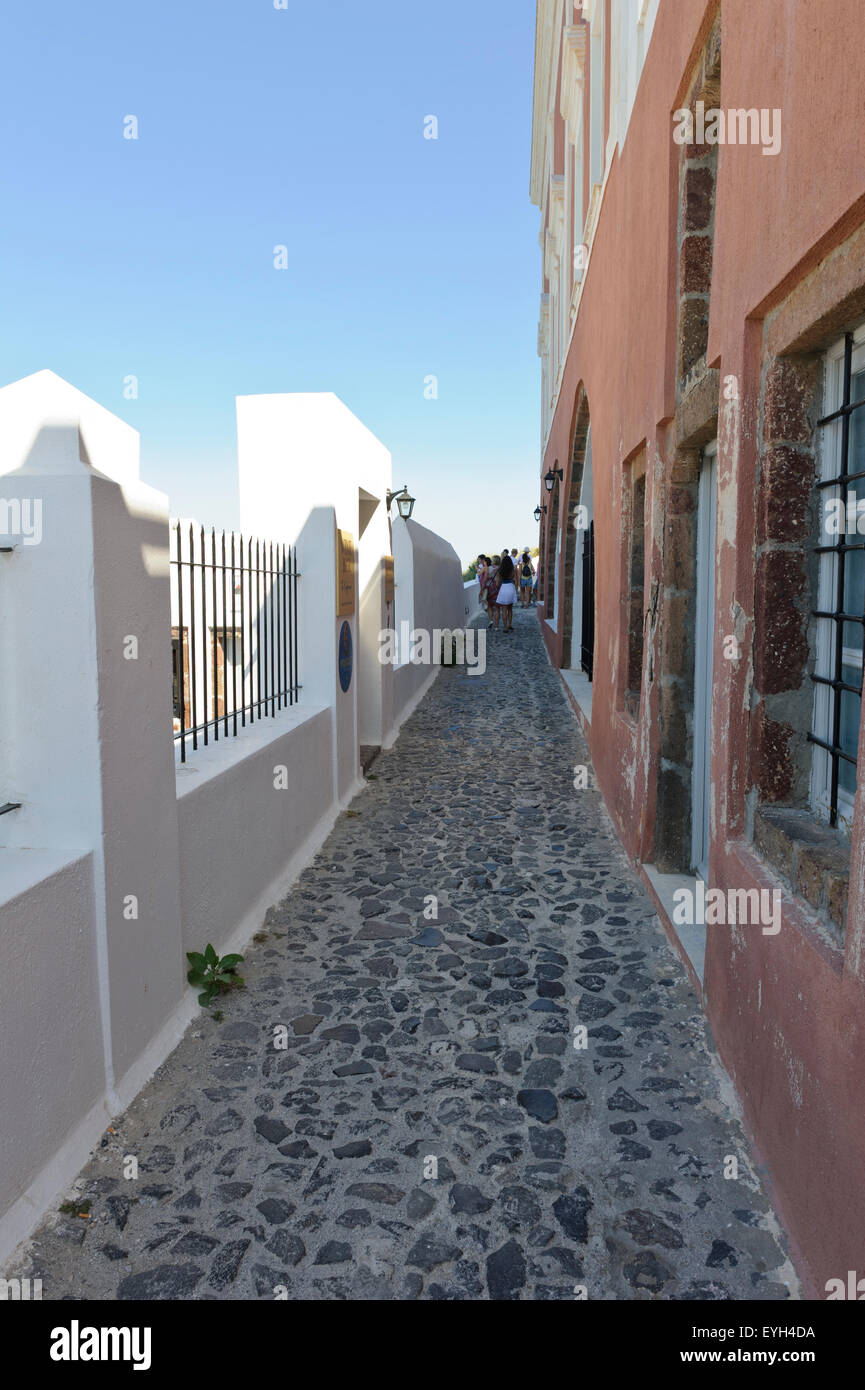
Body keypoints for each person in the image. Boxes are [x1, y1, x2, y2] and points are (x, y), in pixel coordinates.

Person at [496, 551, 517, 632]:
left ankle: (505, 627)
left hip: (503, 588)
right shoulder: (513, 569)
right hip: (511, 587)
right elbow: (514, 579)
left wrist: (498, 588)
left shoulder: (500, 570)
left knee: (504, 609)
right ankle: (510, 624)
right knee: (510, 609)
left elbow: (498, 583)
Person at [482, 555, 500, 629]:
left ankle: (491, 621)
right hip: (497, 588)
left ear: (494, 561)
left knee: (489, 606)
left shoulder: (489, 568)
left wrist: (482, 588)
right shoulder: (499, 568)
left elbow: (485, 579)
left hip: (489, 588)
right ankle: (496, 626)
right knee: (497, 608)